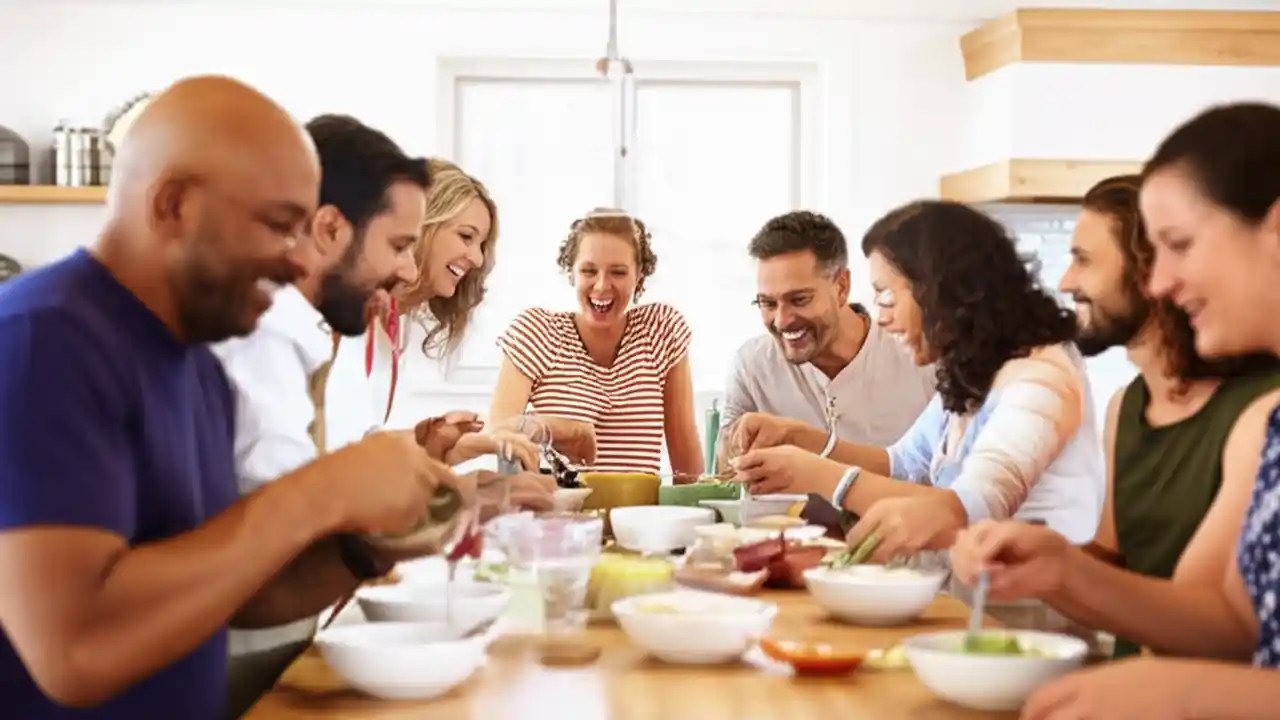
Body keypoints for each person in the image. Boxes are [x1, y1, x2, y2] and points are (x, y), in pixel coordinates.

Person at [0, 76, 470, 718]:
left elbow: (235, 589)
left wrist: (371, 546)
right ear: (173, 206)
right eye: (279, 227)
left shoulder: (197, 363)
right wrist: (325, 490)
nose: (296, 263)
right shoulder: (43, 340)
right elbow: (74, 648)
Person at [951, 102, 1280, 720]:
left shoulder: (1258, 410)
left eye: (1179, 245)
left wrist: (1183, 695)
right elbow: (1235, 622)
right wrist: (1058, 568)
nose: (1161, 284)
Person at [213, 119, 530, 717]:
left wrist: (434, 477)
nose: (408, 274)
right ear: (330, 228)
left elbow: (315, 489)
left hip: (283, 627)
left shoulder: (307, 331)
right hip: (250, 654)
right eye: (400, 247)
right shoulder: (272, 334)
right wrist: (449, 503)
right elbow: (286, 531)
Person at [731, 201, 1104, 560]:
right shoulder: (974, 369)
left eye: (887, 295)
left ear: (937, 289)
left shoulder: (1040, 379)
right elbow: (903, 462)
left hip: (1030, 615)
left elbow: (971, 508)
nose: (882, 317)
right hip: (970, 602)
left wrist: (815, 474)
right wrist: (799, 437)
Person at [1058, 173, 1280, 659]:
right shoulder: (1127, 405)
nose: (1065, 282)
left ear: (1150, 273)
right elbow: (1111, 562)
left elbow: (1217, 618)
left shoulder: (1261, 411)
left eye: (1083, 260)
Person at [490, 208, 701, 475]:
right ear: (572, 273)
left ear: (639, 275)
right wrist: (559, 429)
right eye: (589, 271)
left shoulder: (660, 331)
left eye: (618, 272)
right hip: (560, 513)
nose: (601, 286)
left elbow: (689, 473)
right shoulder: (537, 332)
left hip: (638, 515)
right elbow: (495, 440)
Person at [719, 211, 935, 467]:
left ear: (841, 287)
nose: (781, 320)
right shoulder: (752, 365)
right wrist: (733, 447)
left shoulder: (920, 359)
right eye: (767, 303)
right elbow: (724, 475)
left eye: (799, 300)